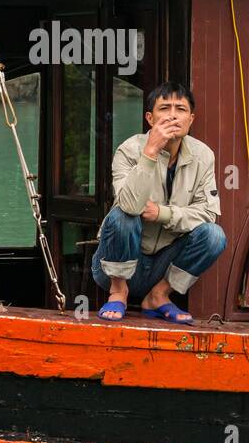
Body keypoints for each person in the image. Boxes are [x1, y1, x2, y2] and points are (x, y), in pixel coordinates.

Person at [92, 82, 226, 324]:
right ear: (150, 118)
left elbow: (207, 214)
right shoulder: (129, 150)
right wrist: (151, 151)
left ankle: (159, 295)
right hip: (114, 265)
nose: (173, 115)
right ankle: (118, 291)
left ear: (191, 119)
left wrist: (163, 213)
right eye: (165, 108)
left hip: (162, 265)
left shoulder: (203, 155)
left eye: (181, 109)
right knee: (122, 217)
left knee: (214, 235)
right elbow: (130, 207)